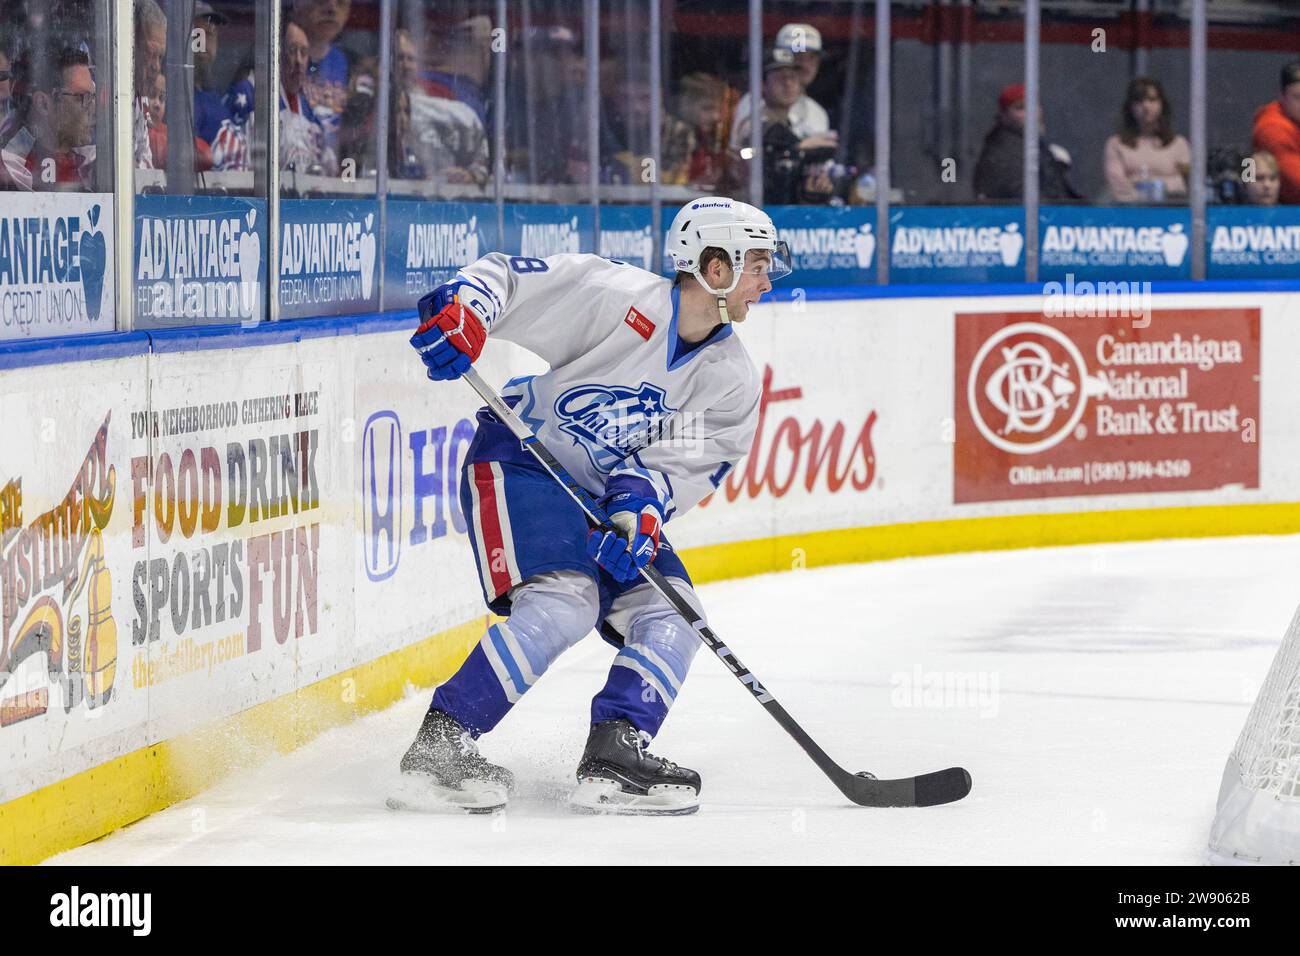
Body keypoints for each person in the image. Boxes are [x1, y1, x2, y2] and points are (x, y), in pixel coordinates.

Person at [398, 198, 793, 815]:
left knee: (675, 612)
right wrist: (466, 312)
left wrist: (637, 513)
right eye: (758, 266)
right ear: (715, 267)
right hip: (522, 463)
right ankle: (440, 748)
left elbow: (679, 466)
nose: (767, 283)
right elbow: (509, 279)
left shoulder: (730, 378)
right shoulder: (617, 298)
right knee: (566, 602)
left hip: (599, 498)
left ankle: (615, 752)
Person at [0, 46, 96, 190]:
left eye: (93, 97)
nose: (93, 109)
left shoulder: (100, 161)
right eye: (82, 97)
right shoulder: (12, 167)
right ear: (43, 104)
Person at [755, 49, 838, 204]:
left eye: (793, 77)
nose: (788, 83)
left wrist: (810, 191)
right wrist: (801, 147)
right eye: (779, 78)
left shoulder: (793, 122)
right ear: (762, 84)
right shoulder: (752, 119)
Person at [974, 82, 1081, 201]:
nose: (1031, 113)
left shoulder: (1030, 145)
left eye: (1034, 105)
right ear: (1004, 115)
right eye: (1021, 108)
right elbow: (1024, 199)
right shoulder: (1005, 151)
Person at [731, 22, 830, 147]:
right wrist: (800, 148)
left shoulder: (817, 113)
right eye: (798, 55)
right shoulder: (751, 104)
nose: (805, 65)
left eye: (812, 57)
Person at [1102, 77, 1190, 203]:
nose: (1146, 106)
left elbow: (1186, 184)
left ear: (1162, 104)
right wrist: (1165, 185)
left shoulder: (1179, 144)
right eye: (1139, 101)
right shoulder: (1116, 144)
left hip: (1171, 211)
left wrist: (1138, 182)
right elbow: (1118, 189)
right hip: (1130, 212)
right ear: (1130, 107)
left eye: (1152, 100)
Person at [290, 0, 352, 157]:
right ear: (297, 4)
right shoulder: (271, 58)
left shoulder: (353, 64)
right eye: (321, 0)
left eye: (340, 1)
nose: (331, 9)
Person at [1251, 60, 1300, 205]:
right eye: (1298, 97)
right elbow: (1296, 182)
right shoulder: (1272, 128)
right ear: (1282, 97)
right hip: (1279, 213)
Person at [192, 1, 231, 147]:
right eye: (201, 33)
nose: (207, 42)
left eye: (212, 34)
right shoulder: (177, 98)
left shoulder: (221, 93)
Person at [134, 0, 166, 170]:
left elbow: (145, 164)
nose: (156, 66)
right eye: (150, 53)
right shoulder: (102, 98)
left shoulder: (139, 101)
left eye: (160, 57)